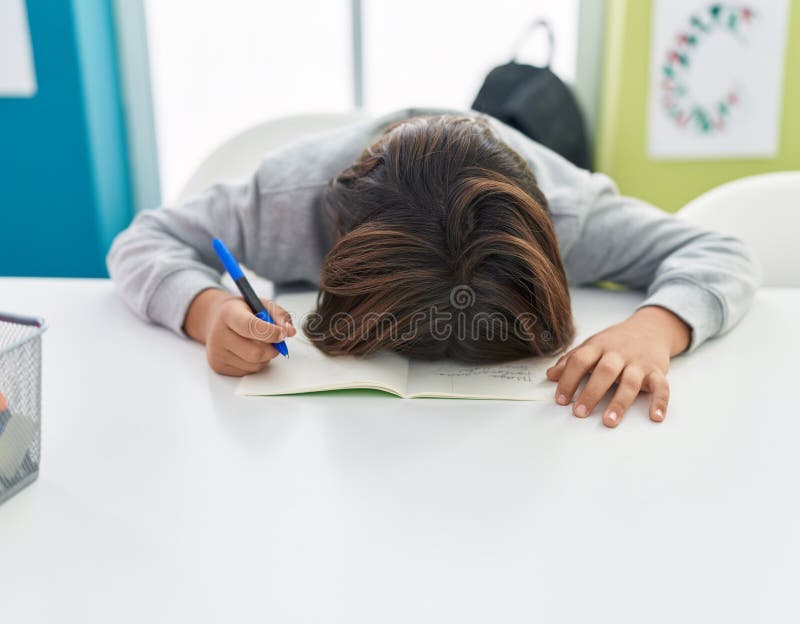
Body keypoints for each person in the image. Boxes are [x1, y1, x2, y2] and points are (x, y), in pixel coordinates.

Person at [107, 109, 759, 428]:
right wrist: (207, 310)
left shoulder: (565, 216)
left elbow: (722, 251)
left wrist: (655, 327)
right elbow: (145, 238)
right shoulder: (289, 202)